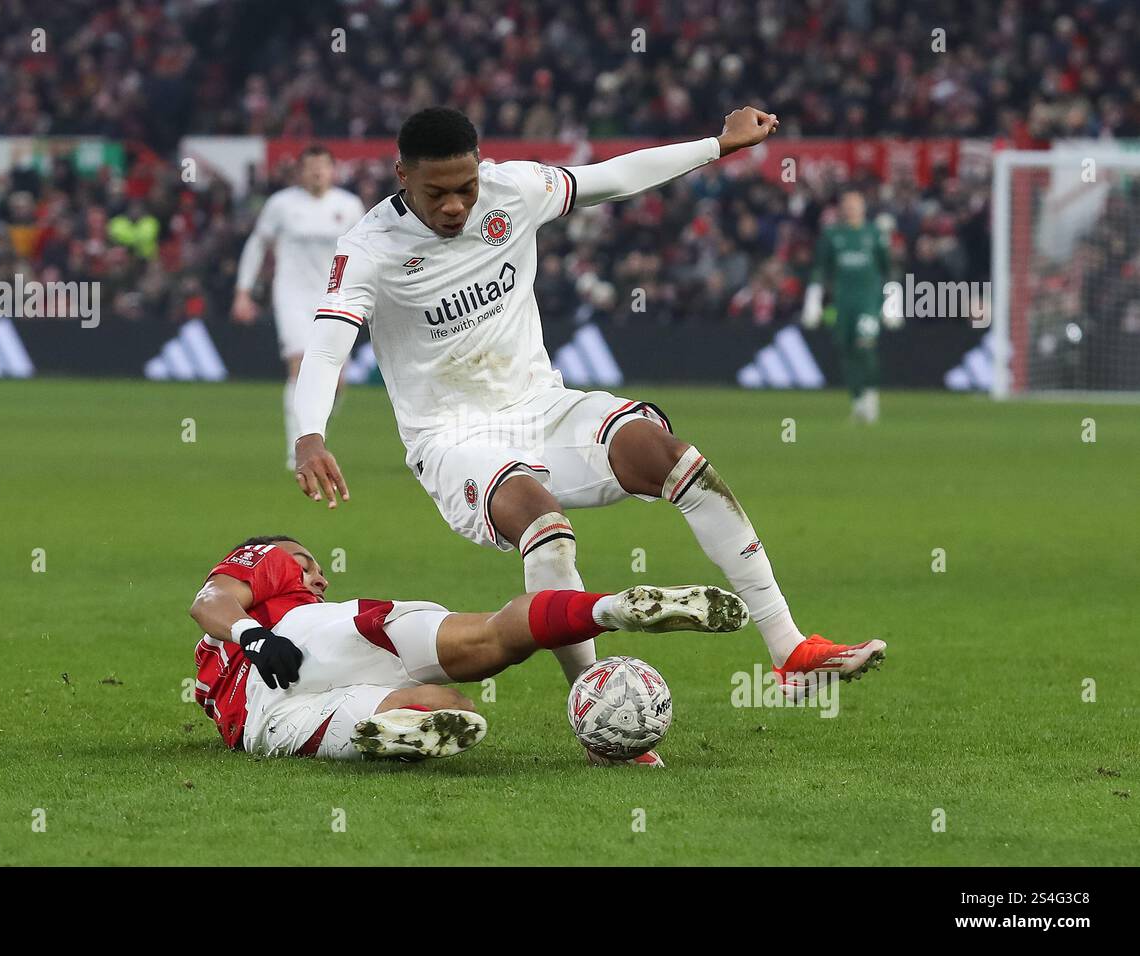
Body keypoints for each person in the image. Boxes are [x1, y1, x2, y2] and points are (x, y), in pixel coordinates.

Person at [292, 106, 887, 766]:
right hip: (453, 436)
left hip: (545, 406)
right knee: (544, 525)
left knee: (671, 458)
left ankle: (788, 647)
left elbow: (614, 176)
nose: (457, 205)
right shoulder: (368, 247)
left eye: (466, 187)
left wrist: (717, 144)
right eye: (437, 193)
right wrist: (310, 434)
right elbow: (324, 351)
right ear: (402, 175)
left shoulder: (513, 190)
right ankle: (600, 721)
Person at [189, 535, 749, 763]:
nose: (318, 574)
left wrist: (244, 639)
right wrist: (255, 634)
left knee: (455, 709)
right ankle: (607, 608)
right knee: (490, 637)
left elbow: (210, 637)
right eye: (307, 564)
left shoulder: (207, 669)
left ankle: (399, 732)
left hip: (266, 725)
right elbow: (209, 597)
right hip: (302, 640)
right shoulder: (271, 561)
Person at [233, 146, 365, 467]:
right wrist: (243, 291)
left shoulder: (348, 206)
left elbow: (366, 251)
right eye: (311, 167)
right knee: (301, 364)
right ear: (300, 172)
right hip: (292, 296)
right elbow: (257, 244)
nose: (317, 172)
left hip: (336, 298)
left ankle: (315, 432)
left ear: (333, 171)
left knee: (337, 380)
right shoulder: (282, 204)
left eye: (323, 167)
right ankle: (297, 451)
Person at [802, 190, 900, 422]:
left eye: (856, 205)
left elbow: (889, 269)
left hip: (868, 301)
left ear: (863, 208)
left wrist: (893, 304)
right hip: (843, 302)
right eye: (847, 205)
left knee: (865, 347)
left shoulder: (875, 234)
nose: (851, 209)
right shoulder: (832, 235)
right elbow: (820, 269)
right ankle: (857, 401)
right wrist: (813, 300)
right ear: (842, 209)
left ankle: (871, 396)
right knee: (846, 351)